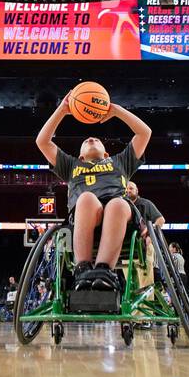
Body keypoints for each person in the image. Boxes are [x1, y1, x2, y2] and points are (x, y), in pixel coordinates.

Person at [35, 93, 152, 292]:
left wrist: (115, 110)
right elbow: (42, 141)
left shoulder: (119, 161)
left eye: (96, 139)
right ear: (80, 156)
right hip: (85, 217)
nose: (91, 138)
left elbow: (145, 133)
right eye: (87, 140)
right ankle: (83, 270)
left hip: (120, 217)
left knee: (116, 203)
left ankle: (104, 271)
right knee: (87, 198)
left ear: (106, 154)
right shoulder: (71, 165)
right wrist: (62, 110)